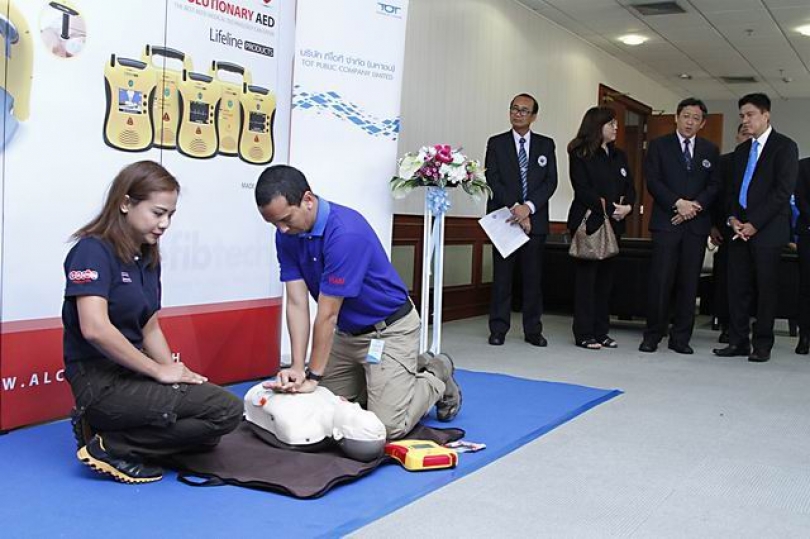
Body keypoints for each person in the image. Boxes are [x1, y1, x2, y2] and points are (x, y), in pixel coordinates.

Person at [63, 161, 243, 484]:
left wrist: (179, 373)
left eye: (171, 215)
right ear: (125, 203)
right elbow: (94, 328)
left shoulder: (145, 255)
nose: (165, 224)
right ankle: (111, 445)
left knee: (208, 434)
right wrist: (159, 371)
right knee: (225, 411)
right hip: (99, 382)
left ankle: (107, 431)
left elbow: (150, 327)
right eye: (158, 213)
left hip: (133, 374)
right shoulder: (91, 251)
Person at [254, 165, 461, 440]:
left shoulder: (345, 234)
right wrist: (296, 367)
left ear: (307, 200)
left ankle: (436, 372)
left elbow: (327, 315)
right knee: (324, 411)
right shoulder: (287, 234)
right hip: (347, 335)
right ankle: (396, 373)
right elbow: (296, 303)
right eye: (273, 223)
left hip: (389, 330)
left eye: (285, 219)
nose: (281, 228)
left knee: (384, 427)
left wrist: (313, 376)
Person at [713, 93, 799, 362]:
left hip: (768, 231)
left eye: (750, 115)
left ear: (766, 115)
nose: (745, 120)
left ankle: (762, 344)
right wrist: (732, 220)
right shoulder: (740, 152)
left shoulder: (785, 147)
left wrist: (755, 224)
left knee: (766, 289)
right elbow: (732, 193)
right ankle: (737, 341)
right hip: (739, 231)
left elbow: (782, 191)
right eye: (742, 116)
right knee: (737, 288)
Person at [639, 97, 719, 354]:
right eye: (686, 116)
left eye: (696, 118)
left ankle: (681, 337)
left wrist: (693, 206)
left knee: (689, 283)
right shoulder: (659, 146)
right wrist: (678, 203)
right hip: (666, 223)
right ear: (676, 117)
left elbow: (714, 186)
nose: (690, 122)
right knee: (660, 281)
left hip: (695, 226)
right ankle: (653, 334)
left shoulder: (710, 150)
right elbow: (653, 181)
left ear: (702, 123)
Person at [485, 93, 558, 347]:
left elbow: (551, 182)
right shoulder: (496, 143)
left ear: (534, 116)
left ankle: (533, 330)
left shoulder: (546, 145)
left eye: (524, 110)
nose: (518, 114)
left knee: (533, 279)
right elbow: (493, 179)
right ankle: (498, 328)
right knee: (503, 278)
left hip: (535, 220)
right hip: (505, 219)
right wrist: (516, 208)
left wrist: (528, 208)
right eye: (514, 109)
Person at [566, 107, 635, 350]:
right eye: (611, 124)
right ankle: (584, 333)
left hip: (614, 226)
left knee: (606, 283)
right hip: (589, 224)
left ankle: (601, 331)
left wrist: (627, 207)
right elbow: (582, 189)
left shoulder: (620, 156)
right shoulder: (580, 152)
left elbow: (630, 188)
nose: (616, 128)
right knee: (587, 282)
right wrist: (606, 207)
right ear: (597, 126)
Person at [710, 124, 752, 344]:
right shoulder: (725, 162)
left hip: (756, 230)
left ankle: (746, 325)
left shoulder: (763, 162)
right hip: (727, 229)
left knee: (752, 282)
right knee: (727, 281)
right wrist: (713, 226)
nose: (746, 138)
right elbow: (716, 197)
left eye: (750, 134)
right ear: (737, 136)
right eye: (743, 134)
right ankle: (726, 326)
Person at [795, 157, 810, 355]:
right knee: (806, 286)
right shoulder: (804, 166)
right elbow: (800, 199)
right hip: (808, 232)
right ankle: (805, 334)